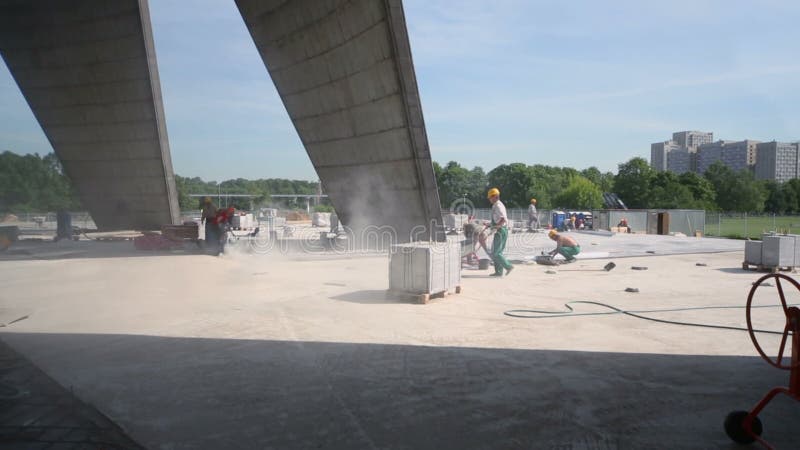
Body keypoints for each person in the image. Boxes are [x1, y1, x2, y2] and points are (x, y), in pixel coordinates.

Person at [487, 188, 514, 277]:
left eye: (490, 197)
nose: (489, 199)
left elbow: (502, 219)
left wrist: (497, 227)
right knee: (498, 252)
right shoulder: (496, 205)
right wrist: (490, 225)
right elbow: (497, 219)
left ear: (495, 196)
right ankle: (498, 272)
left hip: (501, 230)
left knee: (496, 252)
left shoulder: (498, 205)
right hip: (500, 230)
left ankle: (508, 266)